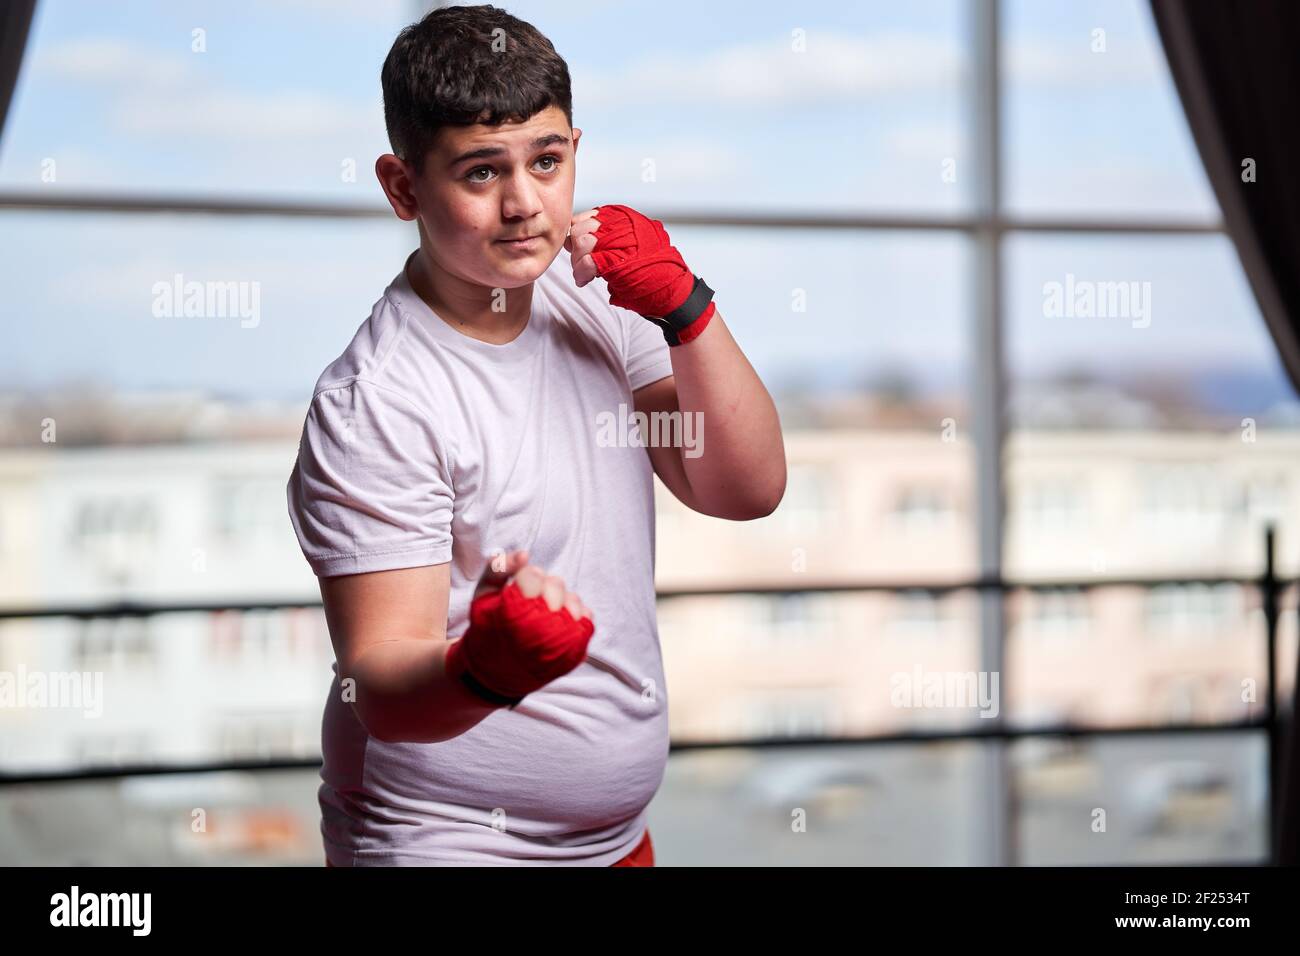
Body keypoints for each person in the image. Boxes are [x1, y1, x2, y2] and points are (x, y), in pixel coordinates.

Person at [286, 3, 786, 866]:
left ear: (574, 153)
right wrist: (487, 664)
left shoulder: (602, 297)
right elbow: (378, 683)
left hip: (615, 837)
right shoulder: (381, 399)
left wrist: (686, 308)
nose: (525, 205)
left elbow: (743, 489)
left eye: (546, 162)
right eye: (481, 173)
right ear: (404, 188)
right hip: (440, 838)